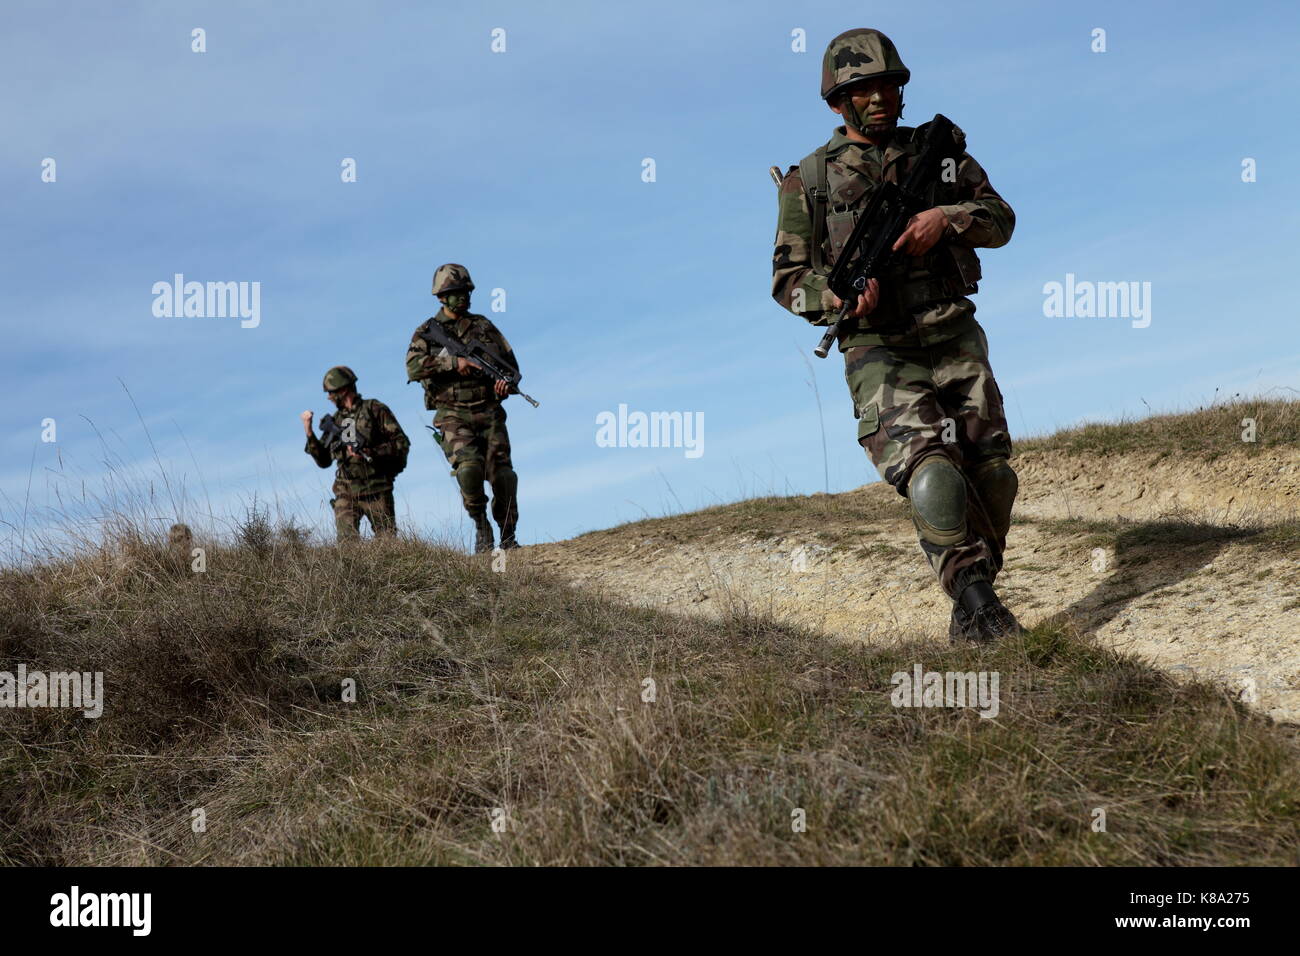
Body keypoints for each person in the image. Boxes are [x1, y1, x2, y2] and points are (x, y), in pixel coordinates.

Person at [772, 28, 1022, 642]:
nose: (880, 97)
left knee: (991, 474)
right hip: (877, 346)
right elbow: (786, 280)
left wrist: (949, 217)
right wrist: (833, 295)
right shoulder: (809, 179)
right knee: (931, 472)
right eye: (864, 89)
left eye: (889, 84)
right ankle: (981, 604)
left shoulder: (939, 155)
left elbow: (1002, 219)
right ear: (838, 102)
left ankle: (971, 596)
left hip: (953, 331)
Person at [406, 264, 521, 553]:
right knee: (469, 470)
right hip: (452, 413)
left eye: (465, 292)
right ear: (441, 297)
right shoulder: (426, 332)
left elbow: (511, 366)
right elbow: (413, 367)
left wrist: (505, 385)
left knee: (504, 476)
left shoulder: (483, 326)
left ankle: (508, 535)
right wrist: (454, 362)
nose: (462, 298)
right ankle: (482, 527)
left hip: (489, 410)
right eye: (455, 293)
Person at [301, 365, 410, 541]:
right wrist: (309, 432)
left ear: (343, 389)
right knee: (346, 544)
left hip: (376, 486)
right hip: (346, 488)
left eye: (331, 392)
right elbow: (324, 461)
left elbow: (401, 443)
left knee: (388, 540)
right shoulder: (335, 421)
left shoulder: (374, 409)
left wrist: (371, 452)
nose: (329, 397)